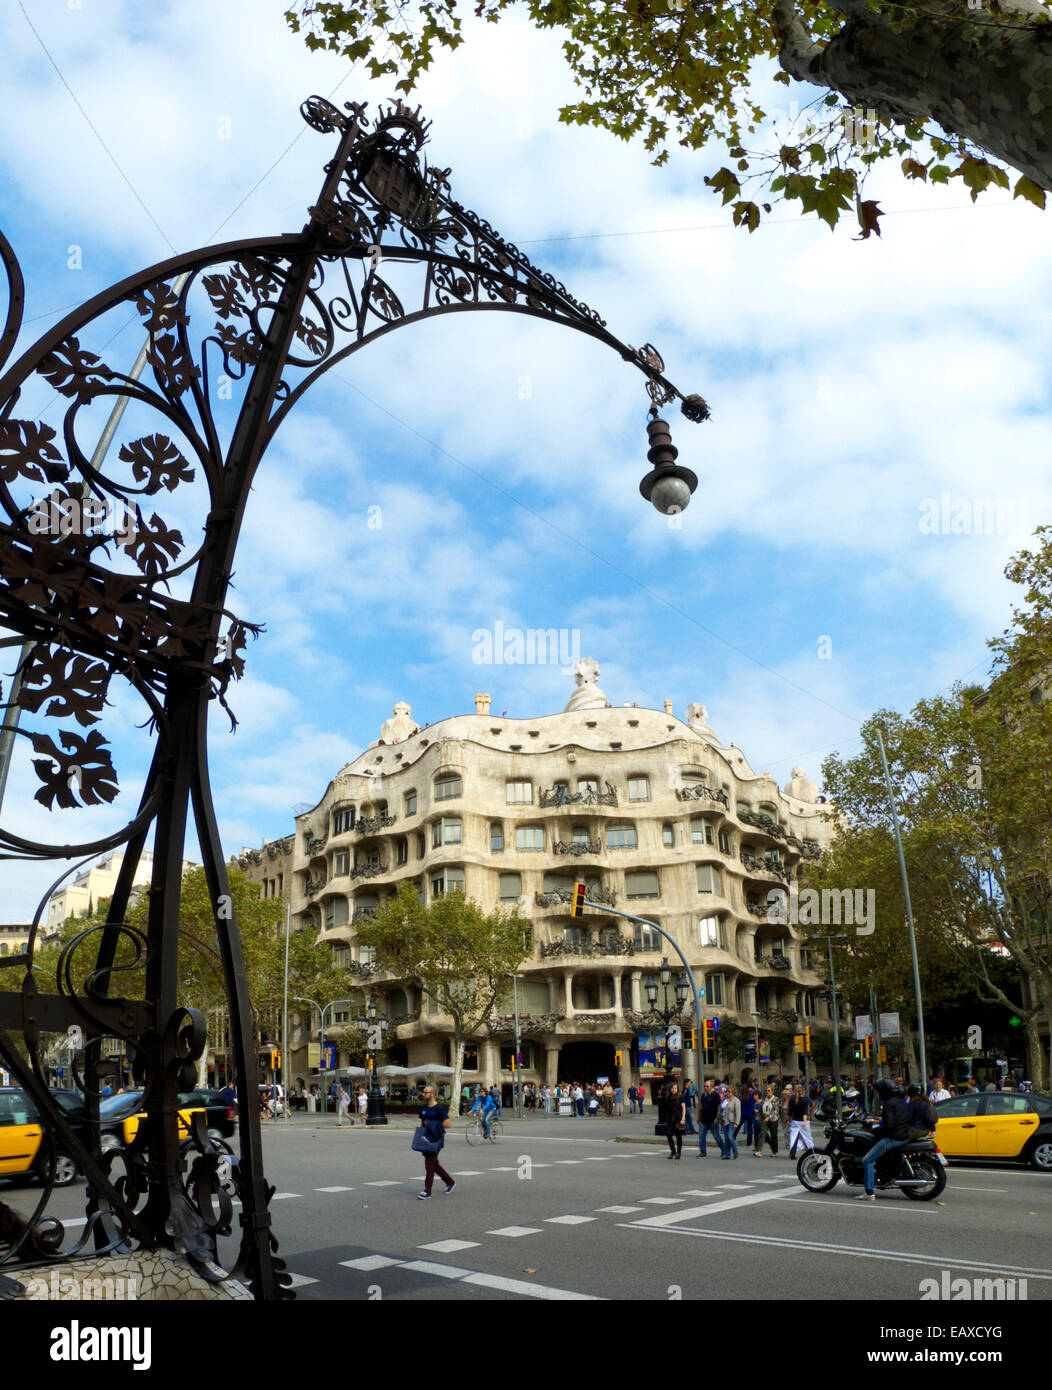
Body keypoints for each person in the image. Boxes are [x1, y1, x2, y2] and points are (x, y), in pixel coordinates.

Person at [858, 1079, 911, 1200]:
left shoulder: (888, 1104)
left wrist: (874, 1131)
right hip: (902, 1135)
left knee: (867, 1160)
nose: (877, 1094)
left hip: (894, 1137)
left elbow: (889, 1125)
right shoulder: (899, 1102)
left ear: (884, 1092)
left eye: (878, 1091)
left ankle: (869, 1192)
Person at [416, 1084, 455, 1198]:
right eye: (423, 1092)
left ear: (432, 1094)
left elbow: (447, 1124)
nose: (423, 1094)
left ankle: (427, 1191)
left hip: (436, 1139)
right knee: (434, 1164)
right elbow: (422, 1124)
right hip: (426, 1139)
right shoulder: (423, 1108)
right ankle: (450, 1182)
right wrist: (420, 1136)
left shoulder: (439, 1108)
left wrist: (432, 1124)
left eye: (425, 1092)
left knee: (429, 1164)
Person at [697, 1079, 725, 1158]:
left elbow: (719, 1107)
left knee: (717, 1137)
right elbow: (701, 1107)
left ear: (711, 1087)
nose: (705, 1088)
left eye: (707, 1086)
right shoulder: (703, 1095)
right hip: (703, 1120)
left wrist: (717, 1119)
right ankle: (703, 1152)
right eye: (704, 1086)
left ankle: (724, 1149)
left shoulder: (715, 1095)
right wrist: (699, 1118)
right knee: (701, 1136)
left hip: (713, 1120)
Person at [787, 1083, 814, 1158]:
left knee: (794, 1137)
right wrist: (805, 1121)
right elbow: (805, 1112)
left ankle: (792, 1153)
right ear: (803, 1092)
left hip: (795, 1121)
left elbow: (790, 1111)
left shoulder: (792, 1099)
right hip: (802, 1121)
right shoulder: (805, 1099)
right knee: (807, 1137)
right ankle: (811, 1152)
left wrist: (789, 1120)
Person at [661, 1082, 686, 1160]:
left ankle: (678, 1152)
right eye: (672, 1088)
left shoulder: (680, 1097)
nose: (673, 1090)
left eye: (675, 1088)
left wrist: (683, 1118)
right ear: (670, 1089)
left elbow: (684, 1108)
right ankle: (673, 1151)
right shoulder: (667, 1098)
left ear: (677, 1089)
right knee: (668, 1134)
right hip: (670, 1119)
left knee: (678, 1136)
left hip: (678, 1119)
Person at [757, 1083, 780, 1157]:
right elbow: (762, 1108)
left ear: (772, 1091)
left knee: (773, 1136)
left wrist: (769, 1117)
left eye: (769, 1091)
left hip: (773, 1119)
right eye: (766, 1091)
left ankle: (774, 1152)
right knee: (762, 1134)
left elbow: (775, 1110)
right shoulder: (765, 1099)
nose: (767, 1092)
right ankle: (759, 1151)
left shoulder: (776, 1099)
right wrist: (758, 1117)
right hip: (764, 1118)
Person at [721, 1086, 740, 1159]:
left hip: (732, 1121)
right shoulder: (724, 1099)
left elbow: (738, 1113)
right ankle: (727, 1155)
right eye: (727, 1091)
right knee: (726, 1138)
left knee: (729, 1137)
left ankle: (735, 1151)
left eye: (729, 1092)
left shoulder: (736, 1100)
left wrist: (736, 1123)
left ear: (733, 1093)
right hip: (724, 1121)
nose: (727, 1093)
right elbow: (721, 1109)